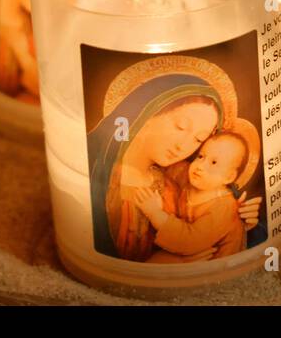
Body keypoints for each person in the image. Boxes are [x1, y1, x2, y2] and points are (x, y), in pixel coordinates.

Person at [86, 70, 262, 262]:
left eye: (198, 139)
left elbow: (200, 234)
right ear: (147, 113)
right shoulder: (98, 172)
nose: (183, 146)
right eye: (180, 127)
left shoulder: (171, 186)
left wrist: (240, 220)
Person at [134, 127, 255, 262]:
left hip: (214, 267)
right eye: (201, 156)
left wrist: (155, 213)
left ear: (228, 177)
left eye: (213, 162)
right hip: (187, 253)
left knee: (157, 263)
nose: (200, 166)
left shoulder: (224, 207)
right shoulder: (190, 178)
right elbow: (172, 167)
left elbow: (190, 241)